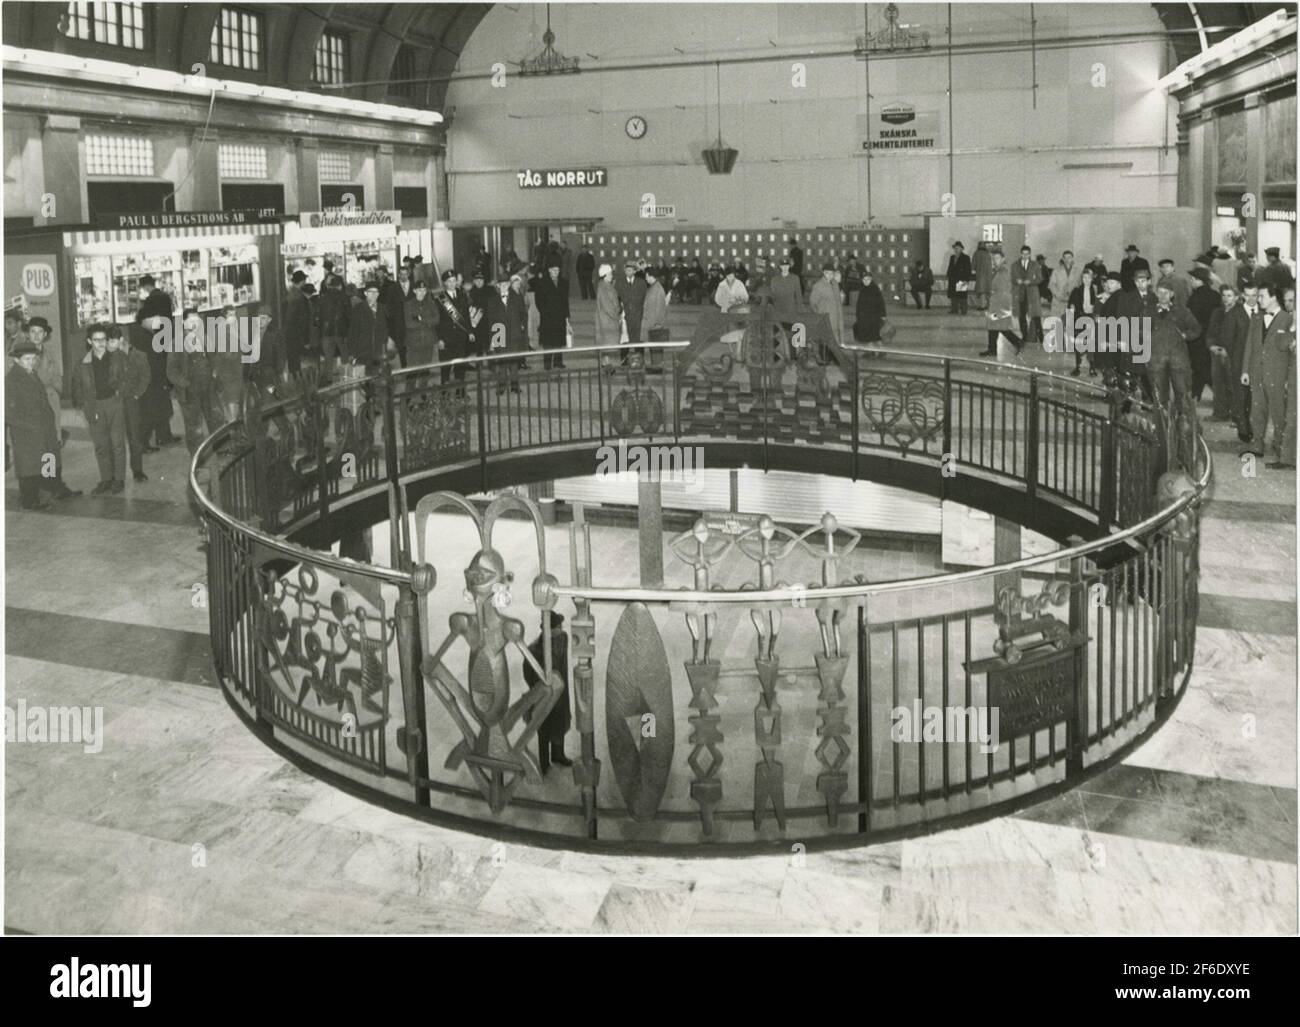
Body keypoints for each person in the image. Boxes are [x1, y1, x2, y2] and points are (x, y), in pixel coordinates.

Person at [6, 338, 80, 509]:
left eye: (33, 359)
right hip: (27, 433)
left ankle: (54, 489)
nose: (31, 362)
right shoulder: (11, 380)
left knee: (49, 459)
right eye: (26, 359)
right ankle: (29, 500)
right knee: (29, 468)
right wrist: (31, 426)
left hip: (43, 428)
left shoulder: (31, 373)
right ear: (17, 360)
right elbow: (9, 414)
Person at [1241, 283, 1296, 468]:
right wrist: (1245, 370)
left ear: (1273, 297)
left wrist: (1289, 378)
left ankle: (1281, 450)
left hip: (1277, 375)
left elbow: (1290, 351)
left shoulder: (1288, 319)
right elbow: (1249, 344)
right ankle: (1257, 445)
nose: (1258, 299)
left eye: (1262, 296)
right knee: (1257, 410)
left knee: (1279, 413)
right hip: (1257, 372)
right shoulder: (1256, 318)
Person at [71, 324, 127, 495]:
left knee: (117, 444)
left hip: (114, 403)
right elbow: (76, 387)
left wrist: (120, 394)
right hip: (94, 406)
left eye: (103, 339)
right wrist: (84, 405)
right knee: (101, 445)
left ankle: (119, 479)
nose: (101, 343)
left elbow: (127, 378)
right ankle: (106, 479)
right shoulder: (82, 362)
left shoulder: (117, 357)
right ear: (89, 341)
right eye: (96, 340)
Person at [166, 308, 225, 461]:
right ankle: (198, 457)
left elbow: (215, 358)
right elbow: (171, 371)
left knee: (216, 419)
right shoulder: (176, 343)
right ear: (184, 322)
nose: (194, 324)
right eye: (191, 320)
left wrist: (214, 372)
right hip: (190, 391)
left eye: (197, 320)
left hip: (208, 387)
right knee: (194, 427)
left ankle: (220, 449)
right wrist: (185, 383)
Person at [133, 274, 180, 446]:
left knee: (160, 403)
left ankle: (162, 435)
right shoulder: (165, 297)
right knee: (157, 404)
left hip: (157, 368)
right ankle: (157, 437)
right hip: (156, 367)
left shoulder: (149, 305)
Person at [523, 611, 570, 774]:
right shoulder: (534, 649)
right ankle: (544, 764)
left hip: (562, 692)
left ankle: (558, 754)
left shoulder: (563, 638)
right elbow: (527, 673)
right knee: (544, 727)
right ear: (548, 630)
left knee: (560, 723)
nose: (561, 628)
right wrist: (538, 692)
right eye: (558, 627)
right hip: (543, 695)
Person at [1147, 282, 1202, 418]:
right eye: (1160, 292)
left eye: (1166, 292)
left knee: (1183, 394)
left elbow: (1196, 329)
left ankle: (1185, 429)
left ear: (1172, 294)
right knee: (1159, 397)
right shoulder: (1148, 311)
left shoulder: (1182, 311)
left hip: (1178, 360)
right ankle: (1162, 430)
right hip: (1156, 360)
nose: (1163, 295)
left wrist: (1185, 335)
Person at [110, 324, 150, 481]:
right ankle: (115, 473)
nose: (108, 345)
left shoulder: (139, 355)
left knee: (135, 436)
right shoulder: (112, 356)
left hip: (132, 401)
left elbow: (146, 377)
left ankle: (137, 469)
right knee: (115, 437)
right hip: (117, 400)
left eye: (111, 341)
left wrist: (136, 395)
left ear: (120, 340)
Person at [1207, 284, 1248, 426]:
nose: (1226, 298)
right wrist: (1212, 346)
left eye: (1229, 295)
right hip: (1216, 353)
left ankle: (1237, 415)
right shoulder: (1217, 312)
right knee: (1218, 383)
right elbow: (1210, 332)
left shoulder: (1241, 313)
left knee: (1233, 384)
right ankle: (1220, 412)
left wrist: (1228, 351)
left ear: (1237, 297)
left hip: (1233, 356)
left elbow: (1241, 338)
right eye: (1223, 295)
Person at [23, 317, 64, 441]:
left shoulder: (49, 354)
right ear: (27, 334)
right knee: (32, 441)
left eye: (40, 332)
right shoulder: (20, 354)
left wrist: (55, 392)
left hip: (49, 399)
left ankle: (50, 459)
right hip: (29, 401)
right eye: (32, 331)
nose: (36, 335)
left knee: (50, 440)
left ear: (45, 334)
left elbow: (57, 379)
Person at [978, 249, 1023, 357]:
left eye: (997, 258)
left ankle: (1018, 343)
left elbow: (1004, 290)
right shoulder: (999, 270)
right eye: (993, 258)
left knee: (999, 327)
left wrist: (993, 294)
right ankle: (992, 349)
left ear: (1003, 259)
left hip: (1000, 304)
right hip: (997, 303)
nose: (994, 260)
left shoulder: (1003, 272)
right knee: (994, 327)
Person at [1186, 267, 1221, 402]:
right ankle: (1196, 394)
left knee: (1199, 368)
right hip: (1212, 337)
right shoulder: (1216, 295)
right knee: (1206, 368)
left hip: (1197, 340)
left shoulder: (1194, 298)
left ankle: (1196, 395)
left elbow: (1191, 319)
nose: (1191, 281)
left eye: (1192, 279)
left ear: (1198, 281)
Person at [434, 270, 473, 388]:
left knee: (460, 367)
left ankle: (460, 393)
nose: (452, 283)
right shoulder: (440, 299)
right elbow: (438, 322)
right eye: (449, 281)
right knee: (445, 368)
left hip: (460, 336)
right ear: (445, 283)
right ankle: (444, 394)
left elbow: (466, 316)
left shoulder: (462, 296)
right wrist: (440, 338)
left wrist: (470, 331)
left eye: (454, 281)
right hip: (446, 338)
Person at [346, 281, 389, 376]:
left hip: (379, 352)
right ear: (365, 293)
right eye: (371, 292)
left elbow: (386, 329)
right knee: (366, 379)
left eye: (376, 292)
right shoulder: (358, 309)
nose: (374, 295)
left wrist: (385, 344)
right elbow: (353, 332)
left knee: (380, 378)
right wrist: (352, 353)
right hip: (363, 351)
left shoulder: (383, 308)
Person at [535, 262, 570, 371]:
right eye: (554, 270)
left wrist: (567, 316)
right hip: (548, 317)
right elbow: (538, 300)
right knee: (548, 342)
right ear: (549, 270)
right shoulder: (543, 283)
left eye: (558, 270)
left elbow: (565, 301)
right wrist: (544, 312)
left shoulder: (563, 283)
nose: (556, 272)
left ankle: (558, 361)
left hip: (560, 316)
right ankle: (547, 362)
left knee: (559, 340)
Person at [1067, 265, 1100, 377]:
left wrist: (1095, 309)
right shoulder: (1076, 290)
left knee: (1091, 343)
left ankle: (1092, 367)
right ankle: (1078, 366)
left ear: (1092, 278)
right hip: (1080, 318)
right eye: (1084, 278)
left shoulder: (1096, 290)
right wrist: (1072, 308)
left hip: (1091, 318)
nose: (1086, 280)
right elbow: (1071, 304)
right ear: (1082, 279)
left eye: (1088, 278)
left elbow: (1101, 304)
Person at [316, 274, 350, 376]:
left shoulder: (323, 297)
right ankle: (346, 376)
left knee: (328, 357)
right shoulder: (344, 297)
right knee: (345, 354)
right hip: (341, 331)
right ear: (340, 285)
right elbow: (349, 315)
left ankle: (329, 379)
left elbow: (319, 315)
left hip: (326, 331)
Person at [282, 270, 313, 377]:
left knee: (292, 359)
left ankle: (294, 380)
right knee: (295, 360)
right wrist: (306, 339)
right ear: (302, 281)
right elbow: (303, 320)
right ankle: (297, 383)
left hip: (288, 331)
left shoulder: (289, 292)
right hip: (295, 333)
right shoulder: (299, 297)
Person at [809, 263, 842, 360]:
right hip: (825, 318)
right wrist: (819, 315)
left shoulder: (835, 284)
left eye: (832, 273)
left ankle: (833, 357)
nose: (830, 275)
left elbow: (837, 300)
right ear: (823, 273)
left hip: (835, 317)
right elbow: (812, 303)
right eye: (827, 273)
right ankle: (823, 359)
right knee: (824, 340)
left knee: (834, 338)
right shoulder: (818, 286)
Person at [1010, 245, 1042, 344]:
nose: (1025, 256)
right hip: (1020, 294)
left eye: (1027, 254)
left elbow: (1040, 279)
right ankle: (1024, 336)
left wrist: (1031, 281)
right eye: (1023, 254)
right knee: (1021, 316)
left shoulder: (1035, 265)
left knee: (1036, 316)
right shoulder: (1014, 265)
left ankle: (1041, 337)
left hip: (1032, 294)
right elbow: (1011, 278)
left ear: (1030, 254)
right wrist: (1016, 281)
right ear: (1020, 254)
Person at [404, 279, 439, 367]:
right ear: (414, 291)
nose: (422, 293)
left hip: (428, 340)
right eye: (419, 290)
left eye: (424, 290)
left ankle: (424, 381)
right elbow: (409, 324)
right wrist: (427, 322)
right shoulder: (408, 305)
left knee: (426, 369)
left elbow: (436, 320)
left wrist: (421, 319)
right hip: (413, 342)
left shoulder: (431, 304)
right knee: (412, 370)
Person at [615, 261, 648, 350]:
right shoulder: (619, 283)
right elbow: (616, 299)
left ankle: (639, 359)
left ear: (634, 271)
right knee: (625, 340)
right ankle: (624, 361)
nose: (628, 272)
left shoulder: (641, 283)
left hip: (638, 316)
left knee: (638, 340)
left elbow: (645, 298)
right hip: (625, 316)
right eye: (626, 270)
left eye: (630, 270)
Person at [594, 263, 622, 366]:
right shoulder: (603, 288)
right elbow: (607, 306)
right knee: (606, 344)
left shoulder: (605, 286)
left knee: (607, 345)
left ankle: (607, 364)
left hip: (608, 320)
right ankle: (606, 365)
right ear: (605, 275)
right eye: (610, 274)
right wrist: (617, 315)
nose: (612, 276)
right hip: (607, 321)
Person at [642, 267, 668, 370]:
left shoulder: (657, 289)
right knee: (654, 349)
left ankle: (657, 369)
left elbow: (660, 309)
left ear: (649, 275)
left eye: (646, 276)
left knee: (656, 349)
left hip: (655, 324)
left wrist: (657, 324)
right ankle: (656, 367)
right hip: (653, 324)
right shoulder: (655, 287)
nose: (645, 278)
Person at [853, 267, 886, 345]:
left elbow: (881, 302)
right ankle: (871, 351)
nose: (865, 281)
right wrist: (857, 314)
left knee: (875, 336)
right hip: (864, 317)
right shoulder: (863, 289)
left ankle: (881, 351)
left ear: (871, 279)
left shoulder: (875, 289)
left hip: (873, 317)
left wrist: (883, 314)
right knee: (868, 336)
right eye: (864, 280)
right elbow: (859, 303)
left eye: (867, 279)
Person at [1048, 251, 1081, 321]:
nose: (1067, 260)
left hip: (1071, 301)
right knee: (1058, 324)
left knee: (1070, 325)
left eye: (1069, 257)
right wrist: (1058, 295)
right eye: (1065, 258)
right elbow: (1051, 285)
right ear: (1062, 259)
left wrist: (1074, 297)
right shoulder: (1056, 271)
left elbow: (1080, 285)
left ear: (1072, 258)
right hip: (1058, 300)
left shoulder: (1078, 271)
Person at [946, 242, 971, 315]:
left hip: (962, 279)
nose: (956, 250)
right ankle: (954, 310)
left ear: (961, 249)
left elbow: (968, 269)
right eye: (955, 248)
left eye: (958, 248)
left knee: (962, 296)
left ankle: (964, 311)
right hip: (953, 279)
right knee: (953, 296)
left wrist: (967, 280)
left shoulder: (966, 257)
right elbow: (950, 267)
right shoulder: (952, 257)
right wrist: (949, 275)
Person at [971, 242, 992, 311]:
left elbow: (973, 264)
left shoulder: (977, 253)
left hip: (980, 274)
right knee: (987, 291)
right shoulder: (988, 254)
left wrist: (973, 270)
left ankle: (982, 306)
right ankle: (987, 305)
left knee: (981, 291)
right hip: (988, 275)